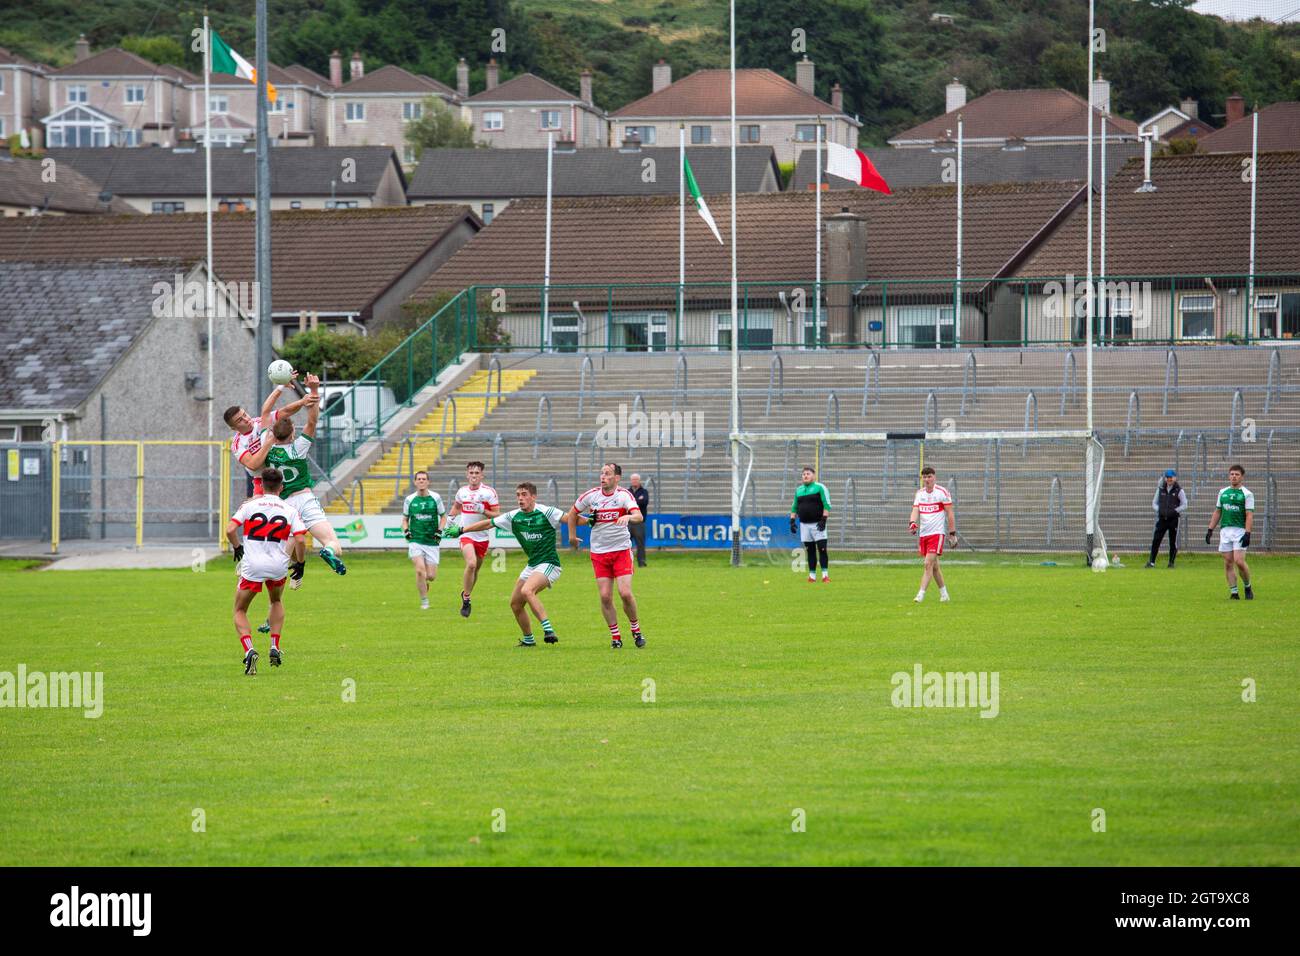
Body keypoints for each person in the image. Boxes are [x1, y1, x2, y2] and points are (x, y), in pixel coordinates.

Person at [242, 373, 347, 582]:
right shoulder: (299, 447)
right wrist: (314, 390)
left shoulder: (267, 445)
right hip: (304, 499)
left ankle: (276, 574)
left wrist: (280, 387)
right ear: (292, 434)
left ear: (273, 431)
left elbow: (264, 411)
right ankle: (328, 551)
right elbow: (312, 420)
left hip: (283, 504)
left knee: (285, 550)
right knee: (332, 542)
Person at [443, 482, 565, 647]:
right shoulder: (514, 516)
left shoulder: (547, 512)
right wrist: (462, 530)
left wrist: (592, 520)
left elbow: (571, 518)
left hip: (549, 563)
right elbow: (488, 523)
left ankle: (548, 630)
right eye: (518, 495)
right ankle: (529, 640)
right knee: (515, 603)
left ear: (534, 497)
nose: (520, 498)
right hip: (532, 565)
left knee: (528, 590)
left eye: (524, 495)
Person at [225, 468, 307, 675]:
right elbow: (300, 538)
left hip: (252, 565)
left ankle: (249, 650)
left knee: (240, 610)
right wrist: (300, 563)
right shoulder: (289, 509)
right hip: (277, 565)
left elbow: (230, 529)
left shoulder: (250, 506)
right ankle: (274, 646)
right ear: (281, 487)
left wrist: (237, 547)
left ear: (261, 485)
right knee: (276, 601)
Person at [566, 463, 646, 649]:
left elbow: (639, 516)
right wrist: (571, 537)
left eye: (608, 474)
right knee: (605, 597)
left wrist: (628, 517)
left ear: (617, 478)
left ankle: (636, 630)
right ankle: (616, 636)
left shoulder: (623, 495)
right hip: (600, 553)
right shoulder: (591, 495)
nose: (603, 477)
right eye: (602, 473)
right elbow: (572, 514)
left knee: (625, 593)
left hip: (621, 551)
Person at [223, 375, 314, 497]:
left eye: (245, 414)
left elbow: (285, 411)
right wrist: (268, 444)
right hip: (261, 481)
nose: (246, 419)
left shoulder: (259, 422)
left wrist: (302, 401)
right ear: (233, 428)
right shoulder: (237, 444)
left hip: (281, 475)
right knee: (259, 514)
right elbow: (253, 464)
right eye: (240, 420)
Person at [448, 461, 500, 618]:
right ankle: (467, 599)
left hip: (482, 536)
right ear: (467, 474)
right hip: (465, 534)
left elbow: (497, 515)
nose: (474, 476)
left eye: (477, 473)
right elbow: (457, 507)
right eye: (471, 473)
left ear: (482, 475)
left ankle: (466, 593)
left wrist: (483, 510)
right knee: (471, 564)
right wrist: (450, 519)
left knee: (475, 569)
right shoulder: (462, 492)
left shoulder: (489, 492)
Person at [1205, 464, 1254, 600]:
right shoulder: (1223, 492)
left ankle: (1247, 586)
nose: (1234, 476)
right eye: (1232, 474)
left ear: (1242, 477)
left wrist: (1248, 533)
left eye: (1237, 474)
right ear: (1229, 476)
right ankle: (1234, 592)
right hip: (1225, 531)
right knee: (1228, 562)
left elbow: (1249, 514)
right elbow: (1218, 511)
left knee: (1239, 561)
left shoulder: (1247, 494)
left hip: (1240, 530)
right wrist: (1210, 529)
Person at [909, 466, 956, 603]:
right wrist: (912, 522)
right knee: (934, 567)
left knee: (928, 563)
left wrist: (952, 533)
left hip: (937, 534)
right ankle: (944, 594)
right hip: (924, 534)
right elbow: (915, 510)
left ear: (934, 477)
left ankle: (920, 595)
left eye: (929, 476)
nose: (927, 479)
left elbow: (950, 513)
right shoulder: (920, 494)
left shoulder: (942, 492)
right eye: (924, 477)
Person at [402, 470, 446, 610]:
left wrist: (439, 531)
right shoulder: (409, 499)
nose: (421, 481)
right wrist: (406, 531)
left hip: (432, 541)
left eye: (424, 479)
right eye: (419, 479)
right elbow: (405, 519)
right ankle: (424, 601)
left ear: (428, 482)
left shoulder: (435, 498)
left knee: (431, 576)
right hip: (416, 540)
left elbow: (443, 517)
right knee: (420, 571)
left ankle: (424, 584)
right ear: (415, 482)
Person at [789, 466, 831, 582]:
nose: (805, 476)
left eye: (808, 474)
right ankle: (812, 576)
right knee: (810, 551)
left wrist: (824, 520)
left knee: (822, 549)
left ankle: (825, 575)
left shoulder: (820, 487)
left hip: (818, 524)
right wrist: (792, 521)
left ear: (813, 475)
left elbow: (827, 504)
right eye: (803, 474)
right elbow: (794, 507)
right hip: (804, 525)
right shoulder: (799, 490)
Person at [1147, 468, 1188, 568]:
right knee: (1156, 539)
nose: (1169, 479)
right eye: (1167, 477)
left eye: (1171, 477)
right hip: (1162, 519)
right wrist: (1159, 510)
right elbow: (1154, 503)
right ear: (1165, 478)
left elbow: (1185, 504)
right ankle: (1151, 562)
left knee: (1172, 541)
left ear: (1175, 478)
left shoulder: (1179, 490)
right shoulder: (1160, 489)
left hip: (1173, 520)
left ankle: (1171, 562)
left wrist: (1174, 511)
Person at [629, 473, 650, 567]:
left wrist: (632, 502)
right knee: (625, 544)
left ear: (639, 481)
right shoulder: (627, 492)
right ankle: (627, 562)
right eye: (633, 479)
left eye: (636, 479)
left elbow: (644, 502)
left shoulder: (644, 491)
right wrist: (638, 500)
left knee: (640, 544)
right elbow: (625, 505)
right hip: (628, 522)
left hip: (639, 523)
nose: (634, 481)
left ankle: (642, 562)